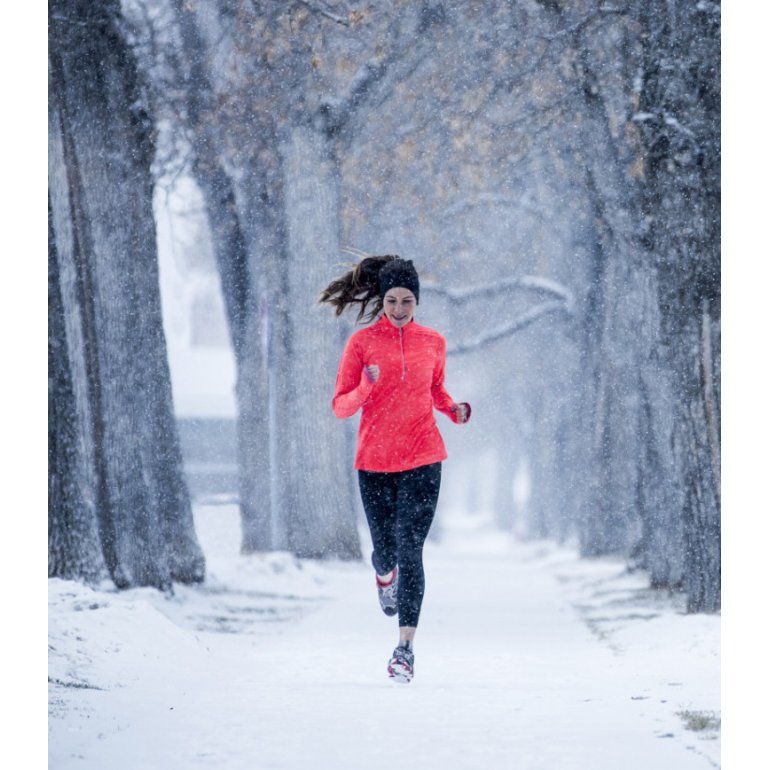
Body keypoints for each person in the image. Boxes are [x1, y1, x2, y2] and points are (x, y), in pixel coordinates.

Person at [319, 255, 471, 683]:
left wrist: (454, 409)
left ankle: (404, 649)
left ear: (417, 301)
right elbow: (340, 406)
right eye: (391, 300)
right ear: (381, 300)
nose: (399, 309)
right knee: (386, 551)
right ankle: (383, 575)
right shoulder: (362, 344)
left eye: (407, 301)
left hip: (424, 458)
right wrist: (367, 385)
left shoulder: (433, 342)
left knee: (410, 549)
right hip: (375, 462)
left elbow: (436, 390)